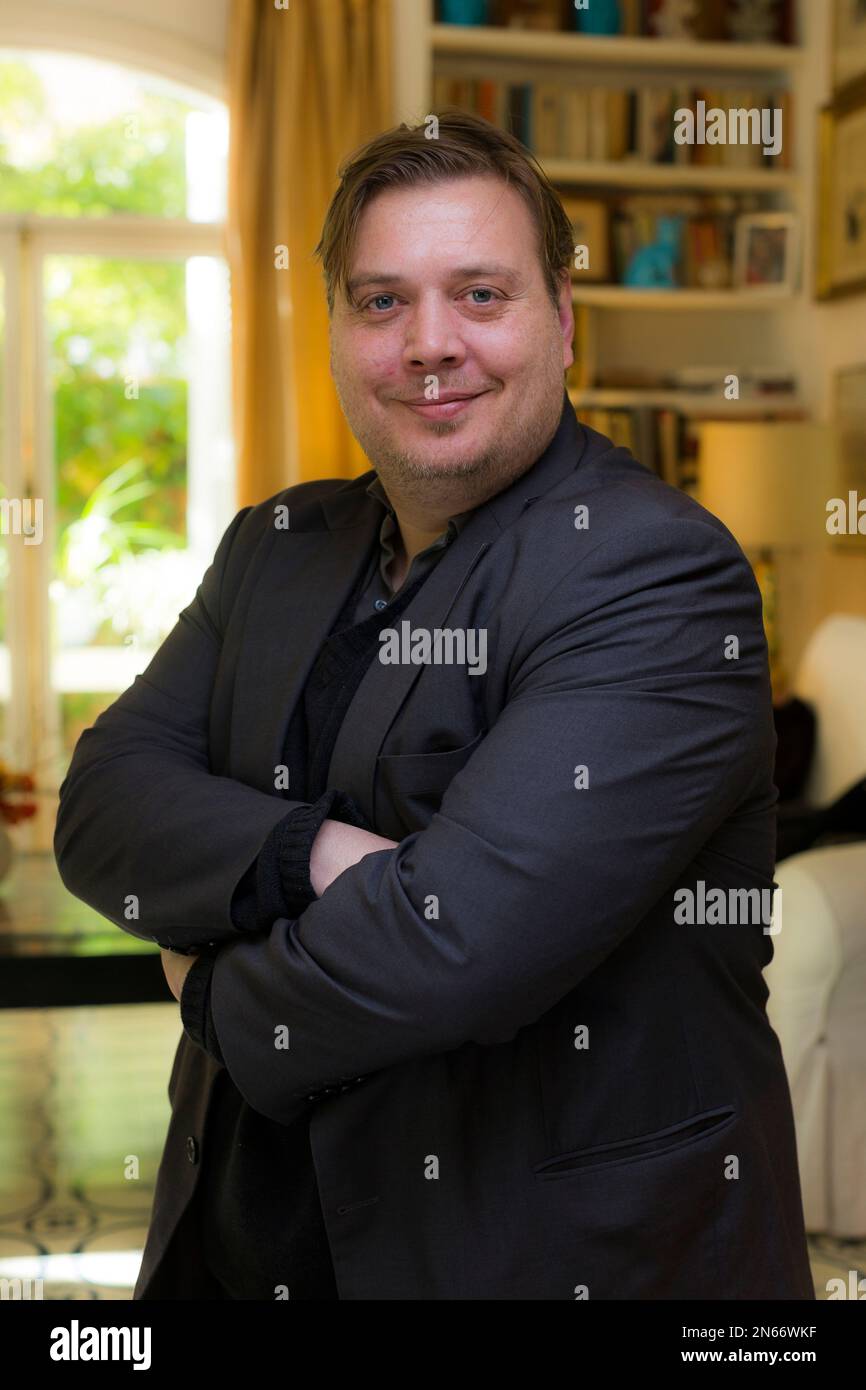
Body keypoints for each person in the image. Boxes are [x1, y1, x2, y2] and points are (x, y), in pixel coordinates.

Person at [54, 110, 814, 1301]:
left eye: (478, 294)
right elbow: (102, 804)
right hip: (245, 1238)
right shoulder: (276, 544)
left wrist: (204, 980)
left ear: (562, 321)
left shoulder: (652, 569)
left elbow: (458, 945)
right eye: (380, 302)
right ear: (337, 332)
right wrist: (312, 854)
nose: (428, 344)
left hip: (541, 1254)